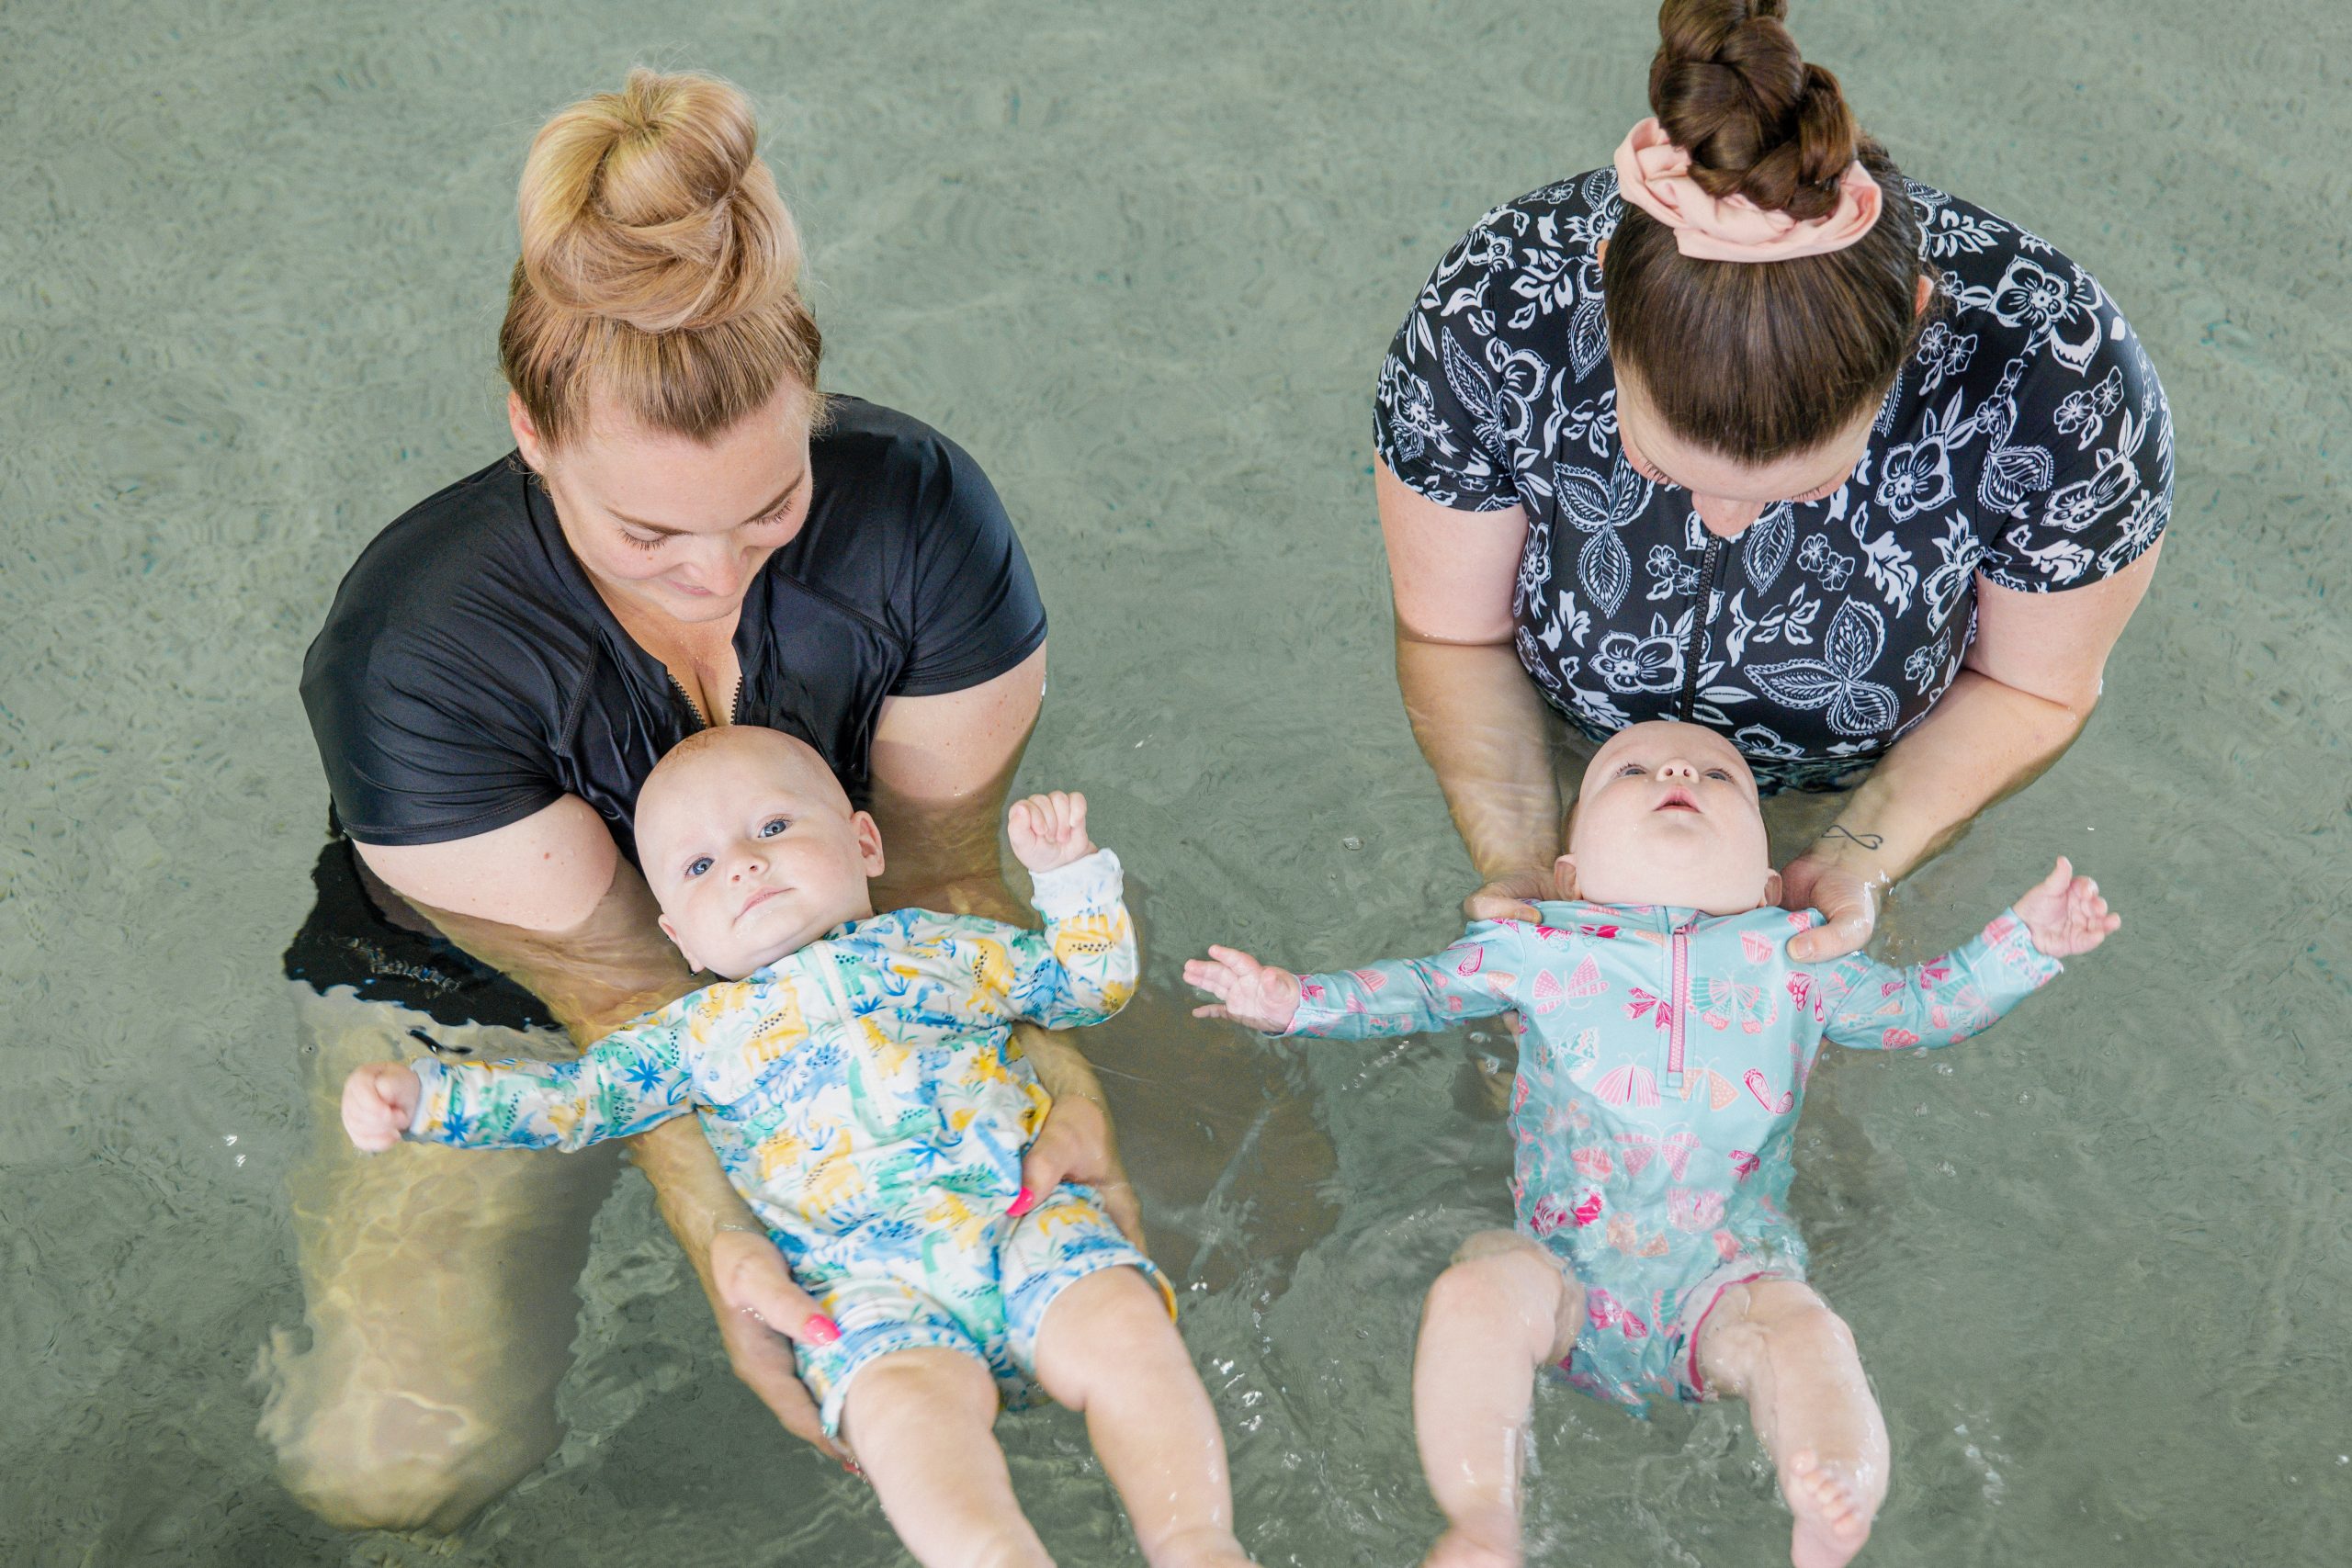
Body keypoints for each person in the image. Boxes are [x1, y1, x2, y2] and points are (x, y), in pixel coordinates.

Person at [263, 69, 1145, 1530]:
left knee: (1214, 1220)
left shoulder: (919, 512)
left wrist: (1066, 1088)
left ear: (811, 403)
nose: (719, 572)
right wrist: (720, 1227)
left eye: (772, 506)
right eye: (648, 529)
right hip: (503, 995)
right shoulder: (414, 654)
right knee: (390, 1460)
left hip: (860, 935)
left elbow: (939, 870)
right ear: (531, 434)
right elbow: (618, 992)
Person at [1185, 721, 2118, 1568]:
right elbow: (1412, 993)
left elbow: (1920, 1009)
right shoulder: (1533, 945)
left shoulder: (1798, 958)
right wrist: (1292, 1003)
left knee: (1803, 1336)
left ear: (1764, 880)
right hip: (1559, 1269)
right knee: (1476, 1289)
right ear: (1569, 874)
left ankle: (1829, 1493)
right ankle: (1482, 1520)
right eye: (1629, 770)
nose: (1678, 770)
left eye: (1719, 776)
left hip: (1723, 1284)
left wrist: (2023, 946)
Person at [343, 728, 1257, 1568]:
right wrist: (430, 1099)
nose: (742, 865)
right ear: (677, 936)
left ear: (865, 844)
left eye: (773, 826)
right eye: (698, 865)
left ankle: (1195, 1542)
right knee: (904, 1422)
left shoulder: (941, 948)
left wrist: (1070, 880)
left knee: (1126, 1331)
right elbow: (574, 1102)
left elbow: (1083, 991)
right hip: (859, 1296)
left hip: (1020, 1222)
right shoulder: (687, 1034)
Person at [1374, 0, 2168, 957]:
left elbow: (2031, 690)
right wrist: (1521, 860)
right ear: (1598, 297)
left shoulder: (2061, 379)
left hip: (1876, 781)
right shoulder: (1493, 310)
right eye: (1661, 466)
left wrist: (1854, 858)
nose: (1721, 520)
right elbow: (1456, 641)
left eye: (1799, 488)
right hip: (1555, 746)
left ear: (1916, 325)